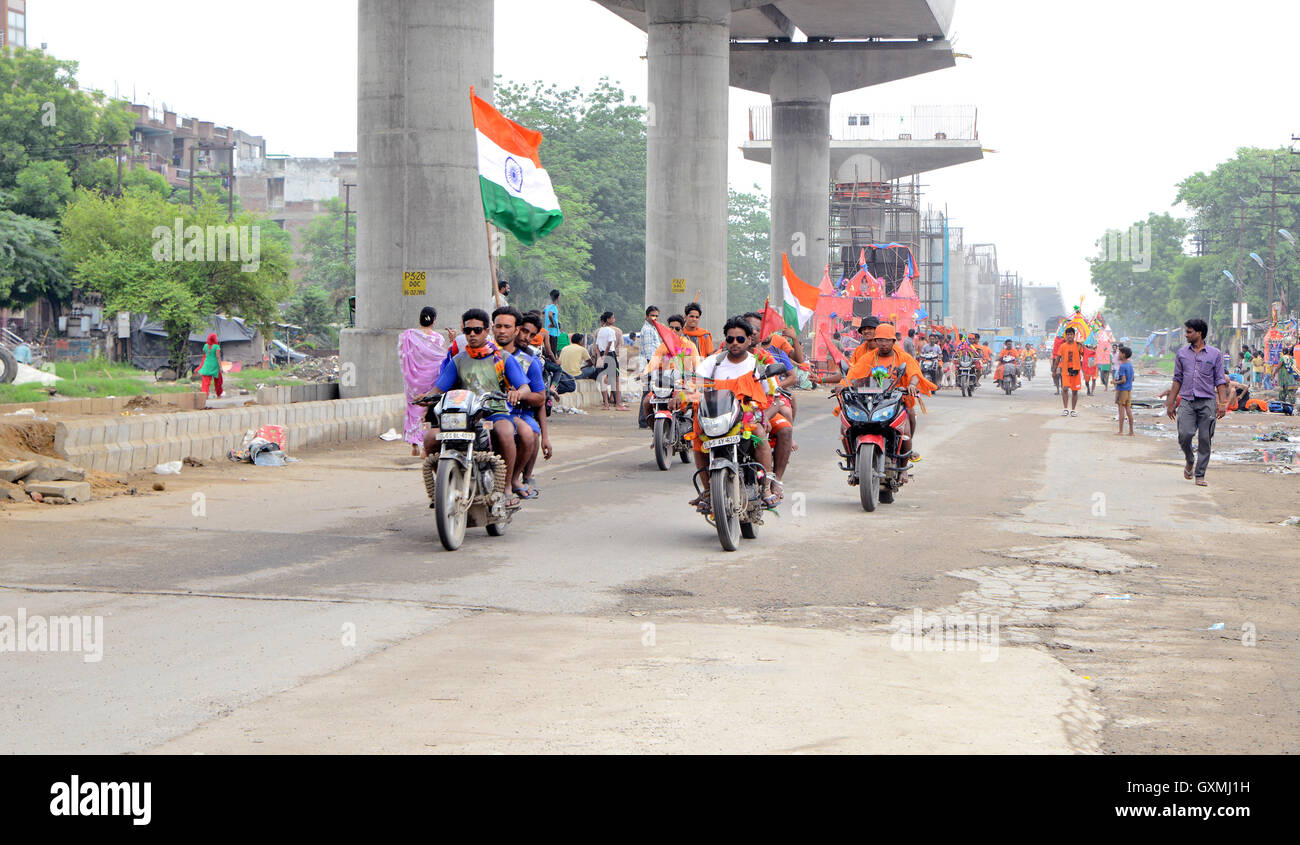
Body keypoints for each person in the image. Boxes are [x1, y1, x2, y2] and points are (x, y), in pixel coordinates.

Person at [418, 308, 531, 508]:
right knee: (429, 438)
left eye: (477, 330)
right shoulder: (458, 360)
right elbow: (439, 388)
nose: (472, 334)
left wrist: (517, 393)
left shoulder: (503, 358)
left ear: (487, 331)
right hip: (464, 416)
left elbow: (524, 386)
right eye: (468, 330)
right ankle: (447, 485)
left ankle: (505, 488)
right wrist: (426, 398)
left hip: (493, 413)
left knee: (505, 432)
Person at [689, 317, 781, 510]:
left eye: (740, 339)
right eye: (730, 339)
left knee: (759, 434)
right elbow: (694, 388)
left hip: (745, 418)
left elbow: (772, 396)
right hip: (716, 417)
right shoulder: (712, 363)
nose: (734, 343)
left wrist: (764, 417)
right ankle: (707, 492)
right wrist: (683, 396)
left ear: (749, 339)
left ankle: (765, 487)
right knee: (697, 440)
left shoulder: (756, 365)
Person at [834, 323, 935, 464]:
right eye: (880, 340)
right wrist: (842, 385)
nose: (883, 344)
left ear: (894, 341)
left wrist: (912, 385)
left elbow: (914, 373)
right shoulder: (868, 357)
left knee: (905, 431)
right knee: (846, 428)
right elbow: (853, 374)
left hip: (896, 400)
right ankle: (852, 463)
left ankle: (903, 468)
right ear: (875, 341)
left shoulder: (904, 357)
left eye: (887, 340)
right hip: (870, 400)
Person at [1167, 318, 1229, 487]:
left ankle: (1200, 474)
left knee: (1205, 439)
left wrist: (1222, 404)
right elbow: (1177, 379)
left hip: (1207, 402)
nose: (1186, 335)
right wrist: (1170, 403)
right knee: (1184, 435)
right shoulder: (1182, 354)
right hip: (1187, 401)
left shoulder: (1215, 354)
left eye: (1189, 332)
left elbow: (1220, 381)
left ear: (1199, 333)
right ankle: (1189, 458)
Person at [508, 311, 554, 499]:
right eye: (524, 331)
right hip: (490, 410)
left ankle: (521, 477)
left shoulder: (530, 361)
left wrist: (545, 437)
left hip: (519, 412)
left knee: (531, 432)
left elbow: (540, 399)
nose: (526, 337)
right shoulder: (490, 353)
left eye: (531, 334)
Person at [398, 306, 449, 456]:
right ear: (434, 320)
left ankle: (414, 444)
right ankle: (424, 447)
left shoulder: (408, 336)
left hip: (412, 380)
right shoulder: (438, 338)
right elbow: (442, 357)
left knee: (413, 408)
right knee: (426, 410)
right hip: (430, 380)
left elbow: (403, 355)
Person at [639, 313, 699, 426]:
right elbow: (653, 363)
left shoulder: (689, 346)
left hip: (684, 384)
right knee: (646, 402)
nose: (674, 331)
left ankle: (692, 432)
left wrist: (699, 375)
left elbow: (698, 365)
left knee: (697, 404)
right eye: (671, 328)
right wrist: (644, 373)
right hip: (665, 385)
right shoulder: (663, 347)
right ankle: (655, 432)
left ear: (682, 330)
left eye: (677, 328)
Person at [594, 311, 627, 411]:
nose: (614, 320)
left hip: (601, 354)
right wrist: (605, 355)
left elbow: (596, 345)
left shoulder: (599, 331)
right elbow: (610, 344)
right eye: (613, 318)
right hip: (610, 355)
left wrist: (600, 357)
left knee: (603, 380)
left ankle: (606, 404)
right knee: (616, 380)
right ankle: (618, 404)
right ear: (608, 320)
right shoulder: (613, 331)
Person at [1053, 327, 1086, 416]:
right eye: (1068, 334)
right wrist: (1054, 370)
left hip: (1076, 371)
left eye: (1071, 334)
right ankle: (1065, 409)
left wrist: (1085, 346)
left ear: (1074, 335)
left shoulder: (1078, 345)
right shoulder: (1062, 346)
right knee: (1065, 389)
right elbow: (1057, 358)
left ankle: (1073, 410)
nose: (1069, 336)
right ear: (1066, 336)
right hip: (1065, 371)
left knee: (1075, 391)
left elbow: (1085, 356)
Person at [1113, 345, 1134, 436]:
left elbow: (1123, 380)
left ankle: (1121, 431)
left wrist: (1115, 382)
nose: (1118, 354)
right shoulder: (1130, 365)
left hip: (1122, 390)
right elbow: (1132, 379)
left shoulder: (1122, 366)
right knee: (1128, 409)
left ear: (1124, 355)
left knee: (1121, 410)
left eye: (1120, 353)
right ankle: (1131, 431)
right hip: (1129, 389)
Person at [198, 332, 223, 398]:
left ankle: (205, 395)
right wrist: (221, 367)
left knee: (205, 382)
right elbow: (218, 357)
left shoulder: (205, 346)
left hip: (207, 364)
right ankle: (219, 394)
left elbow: (204, 353)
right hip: (215, 365)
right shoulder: (216, 346)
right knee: (218, 381)